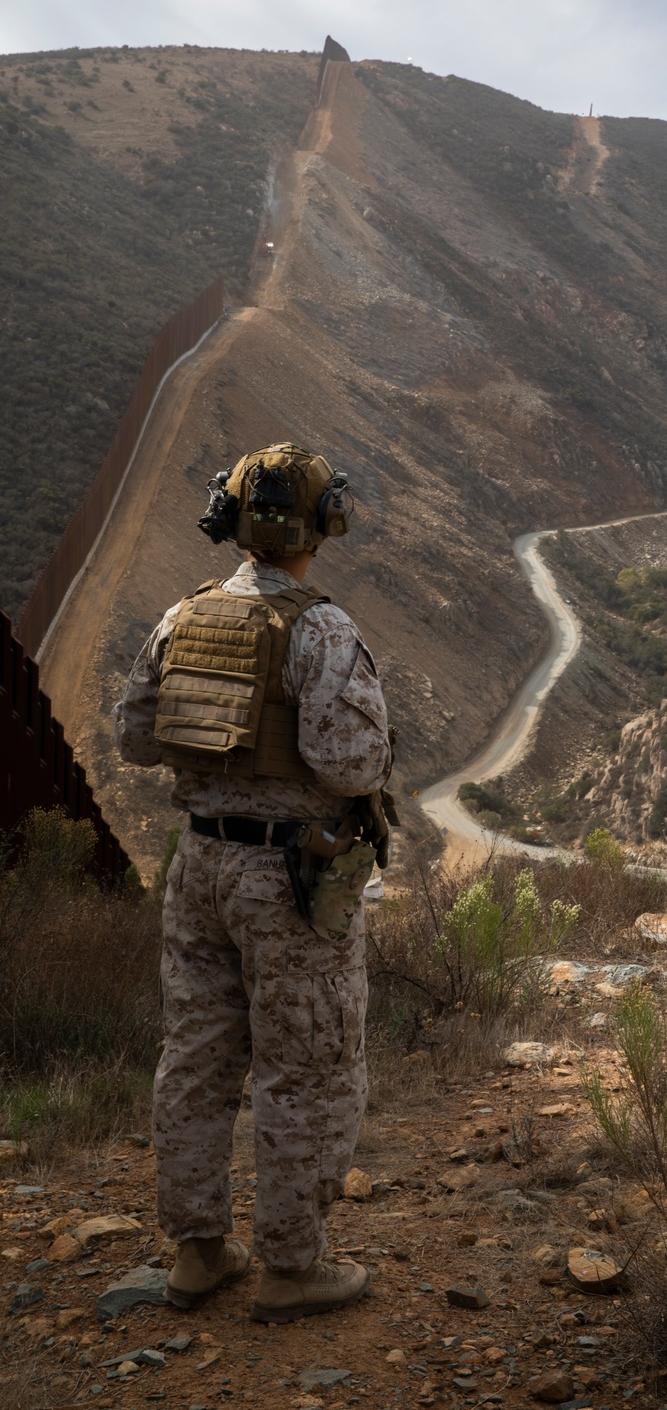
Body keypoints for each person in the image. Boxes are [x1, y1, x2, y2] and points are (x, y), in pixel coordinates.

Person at [114, 443, 393, 1323]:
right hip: (289, 876)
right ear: (323, 525)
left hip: (199, 866)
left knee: (195, 1057)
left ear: (228, 522)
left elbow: (135, 739)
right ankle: (290, 1268)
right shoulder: (319, 629)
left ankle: (199, 1255)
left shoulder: (182, 616)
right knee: (305, 1065)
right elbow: (350, 762)